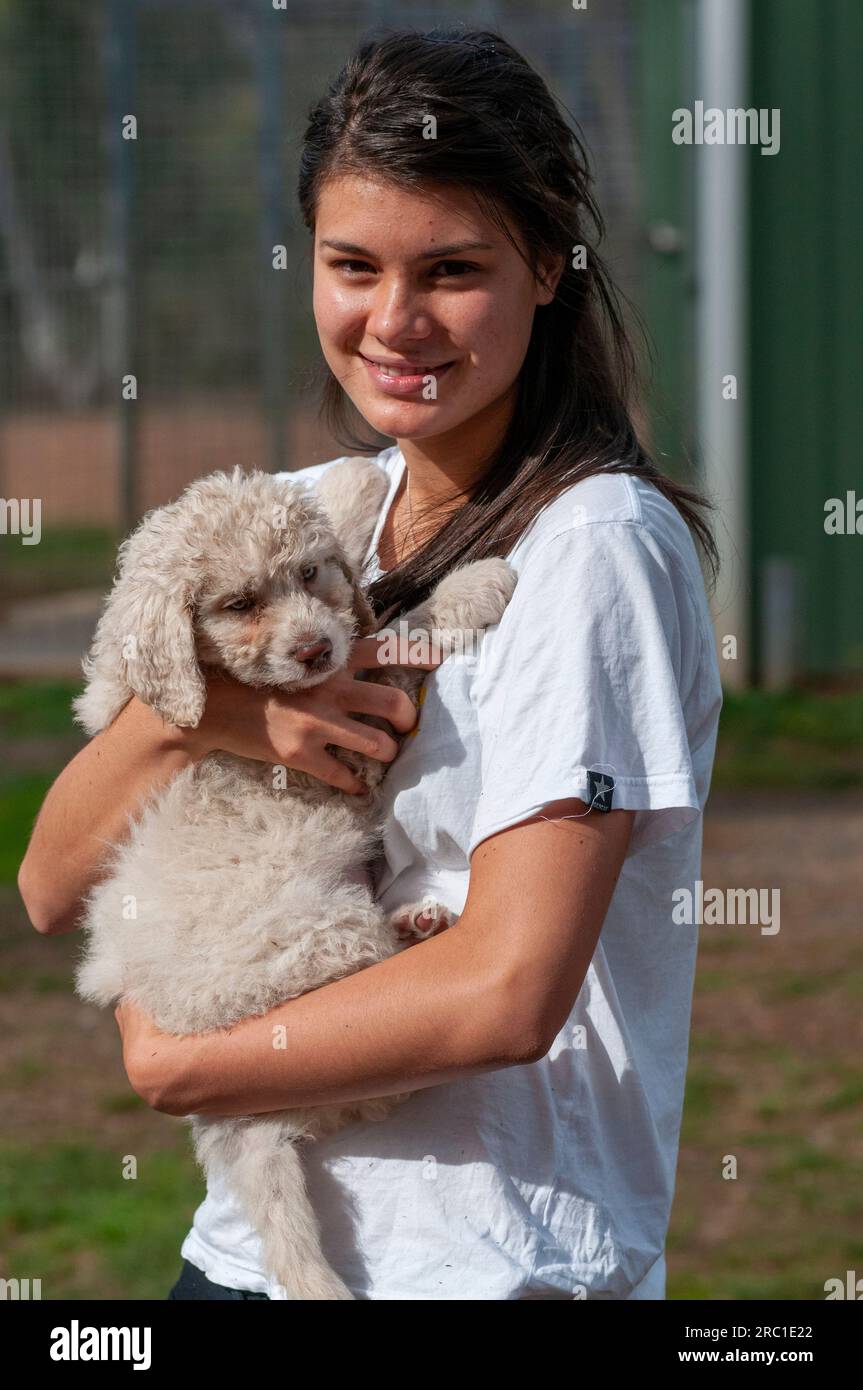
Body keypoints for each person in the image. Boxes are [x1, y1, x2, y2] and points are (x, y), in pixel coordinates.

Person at [19, 26, 722, 1301]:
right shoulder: (306, 516)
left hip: (482, 1260)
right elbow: (48, 886)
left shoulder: (594, 550)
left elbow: (507, 994)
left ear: (550, 267)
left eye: (452, 270)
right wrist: (205, 722)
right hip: (247, 1254)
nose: (393, 321)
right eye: (351, 265)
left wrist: (188, 1061)